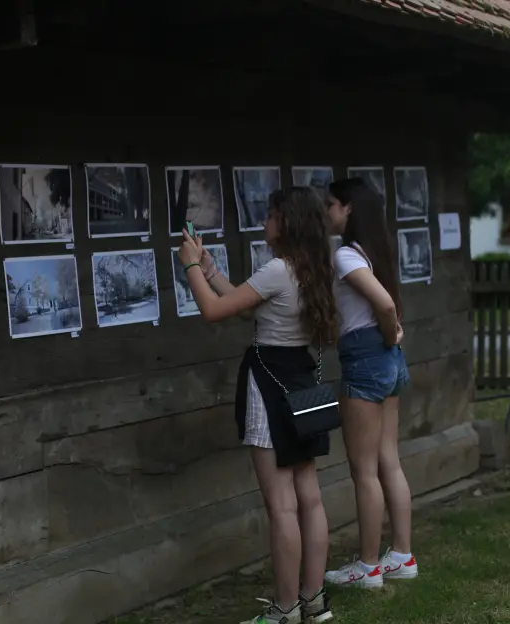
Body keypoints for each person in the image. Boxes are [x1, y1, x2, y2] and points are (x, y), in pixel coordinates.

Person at [178, 186, 339, 624]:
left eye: (269, 215)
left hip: (269, 385)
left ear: (286, 222)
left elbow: (215, 312)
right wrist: (210, 270)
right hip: (304, 381)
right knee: (310, 498)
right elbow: (246, 305)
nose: (264, 222)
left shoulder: (276, 271)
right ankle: (313, 601)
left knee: (282, 505)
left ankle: (284, 609)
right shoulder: (313, 269)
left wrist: (190, 265)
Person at [322, 177, 418, 589]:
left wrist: (385, 330)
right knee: (388, 461)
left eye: (332, 204)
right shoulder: (373, 250)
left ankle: (367, 566)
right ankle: (401, 555)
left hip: (365, 360)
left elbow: (383, 303)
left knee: (364, 470)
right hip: (389, 361)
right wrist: (391, 333)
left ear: (349, 210)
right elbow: (386, 304)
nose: (327, 211)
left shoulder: (346, 256)